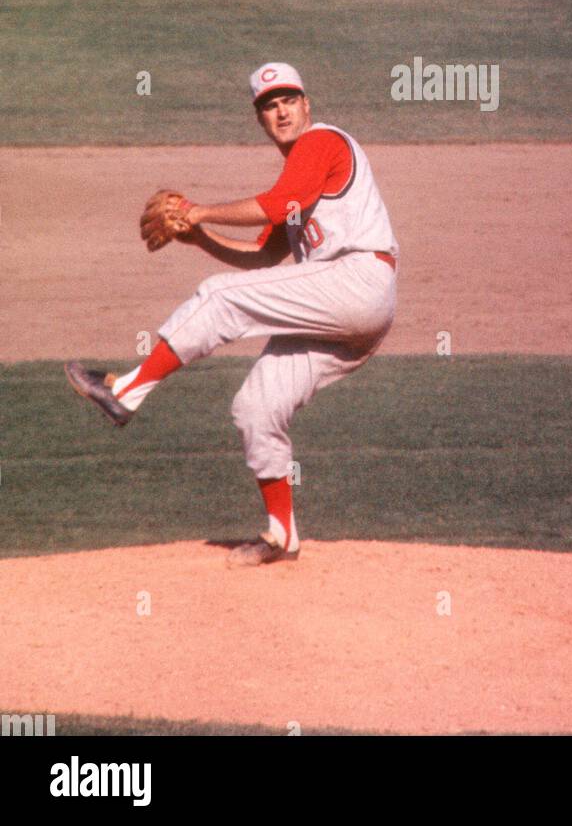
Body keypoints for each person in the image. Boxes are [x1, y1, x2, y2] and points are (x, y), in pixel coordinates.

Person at [65, 61, 399, 569]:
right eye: (269, 105)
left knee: (221, 297)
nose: (281, 110)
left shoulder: (322, 143)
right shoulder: (298, 171)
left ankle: (127, 390)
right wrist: (198, 236)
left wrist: (199, 210)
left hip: (357, 281)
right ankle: (281, 536)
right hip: (343, 312)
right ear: (259, 119)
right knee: (256, 406)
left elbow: (275, 204)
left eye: (289, 99)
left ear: (307, 105)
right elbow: (262, 258)